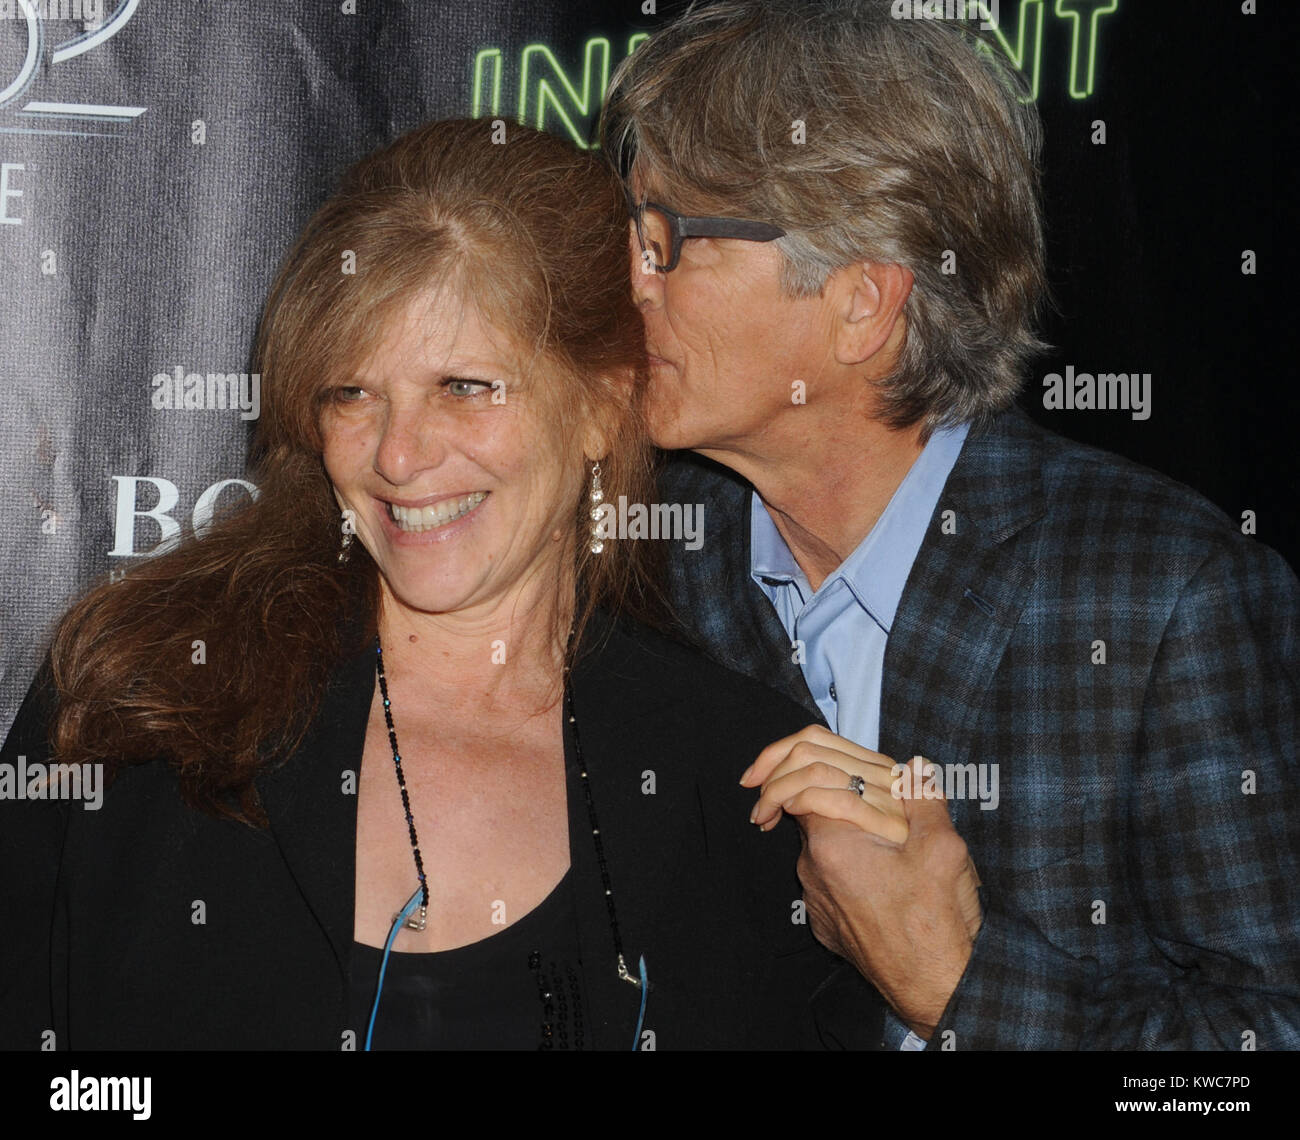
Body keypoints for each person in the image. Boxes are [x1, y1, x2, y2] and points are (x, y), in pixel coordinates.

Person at [0, 117, 889, 1050]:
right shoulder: (139, 700)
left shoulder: (738, 782)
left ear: (604, 402)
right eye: (353, 393)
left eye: (465, 385)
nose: (397, 454)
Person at [601, 0, 1300, 1049]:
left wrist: (957, 983)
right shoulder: (643, 559)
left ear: (862, 304)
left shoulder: (1163, 597)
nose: (624, 284)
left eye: (667, 244)